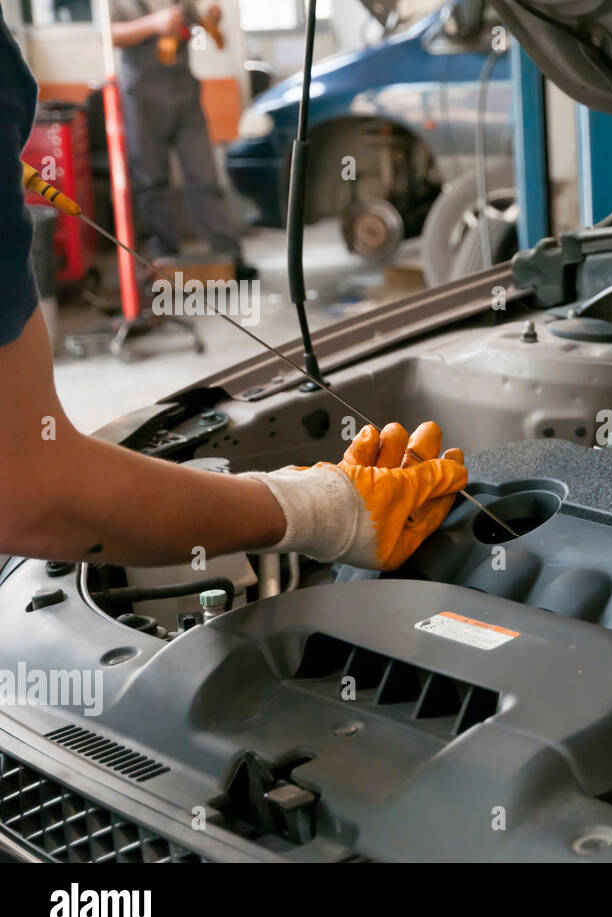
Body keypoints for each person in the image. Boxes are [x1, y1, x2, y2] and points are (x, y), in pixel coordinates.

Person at [1, 13, 466, 571]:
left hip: (176, 83)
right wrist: (324, 509)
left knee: (200, 178)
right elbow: (25, 486)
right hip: (144, 86)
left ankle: (221, 256)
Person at [108, 0, 249, 273]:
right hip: (141, 96)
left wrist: (214, 18)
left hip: (185, 93)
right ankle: (164, 258)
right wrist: (153, 24)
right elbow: (109, 34)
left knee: (204, 175)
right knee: (151, 180)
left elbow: (202, 22)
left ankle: (228, 255)